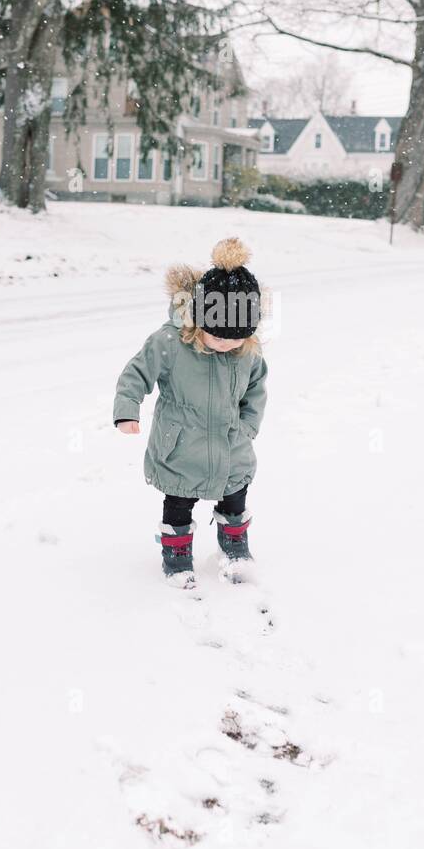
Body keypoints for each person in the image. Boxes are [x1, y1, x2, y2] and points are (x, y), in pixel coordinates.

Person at [114, 237, 267, 588]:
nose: (227, 343)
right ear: (198, 320)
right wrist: (127, 409)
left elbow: (257, 390)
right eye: (217, 336)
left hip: (232, 446)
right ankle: (177, 555)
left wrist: (248, 426)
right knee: (179, 503)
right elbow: (135, 373)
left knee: (235, 498)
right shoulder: (170, 343)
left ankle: (235, 547)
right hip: (180, 445)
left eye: (236, 338)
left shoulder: (248, 352)